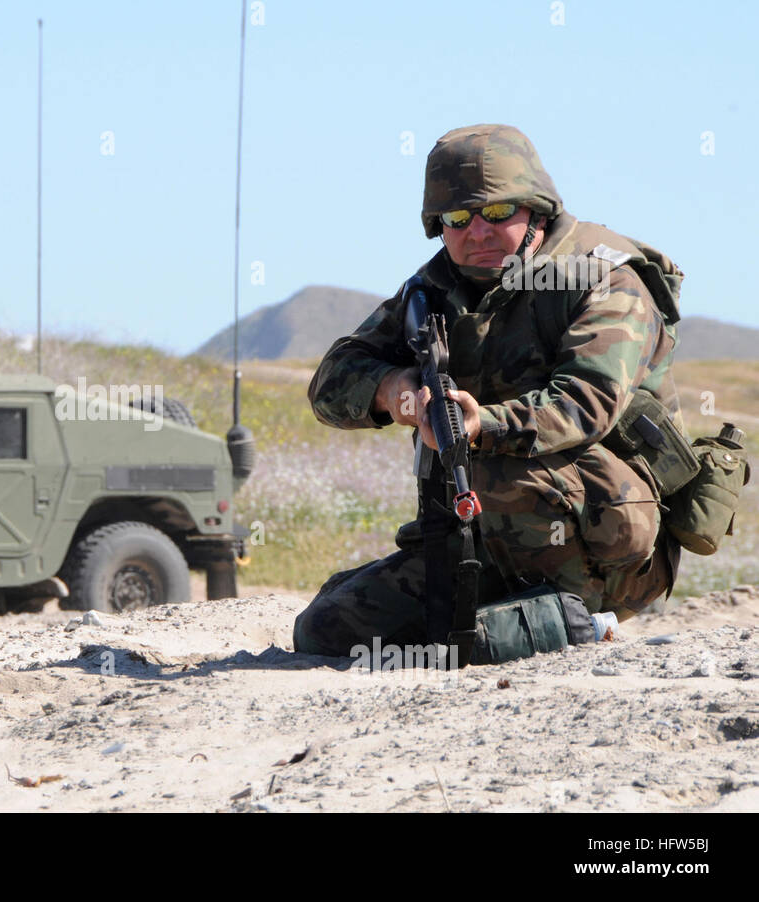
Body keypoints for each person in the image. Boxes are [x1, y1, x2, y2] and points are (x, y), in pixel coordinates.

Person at [293, 124, 688, 659]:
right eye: (457, 219)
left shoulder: (602, 277)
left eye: (497, 214)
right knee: (326, 630)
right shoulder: (432, 290)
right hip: (470, 536)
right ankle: (515, 623)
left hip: (608, 546)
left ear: (537, 211)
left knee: (493, 469)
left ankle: (576, 616)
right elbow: (331, 381)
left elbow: (587, 399)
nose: (476, 232)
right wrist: (396, 392)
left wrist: (480, 426)